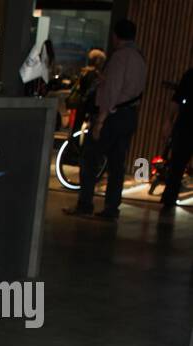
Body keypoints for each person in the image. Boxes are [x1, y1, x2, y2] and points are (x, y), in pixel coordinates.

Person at [66, 19, 146, 220]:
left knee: (90, 158)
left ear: (116, 36)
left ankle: (85, 204)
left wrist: (100, 121)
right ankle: (112, 208)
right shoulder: (140, 57)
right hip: (129, 115)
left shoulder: (120, 57)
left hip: (112, 116)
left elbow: (113, 91)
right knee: (117, 165)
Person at [159, 65, 193, 210]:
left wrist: (169, 121)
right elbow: (177, 99)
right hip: (185, 125)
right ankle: (169, 199)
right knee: (177, 164)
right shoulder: (190, 75)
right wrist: (168, 121)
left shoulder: (190, 74)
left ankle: (169, 199)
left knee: (177, 164)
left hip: (185, 125)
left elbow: (176, 99)